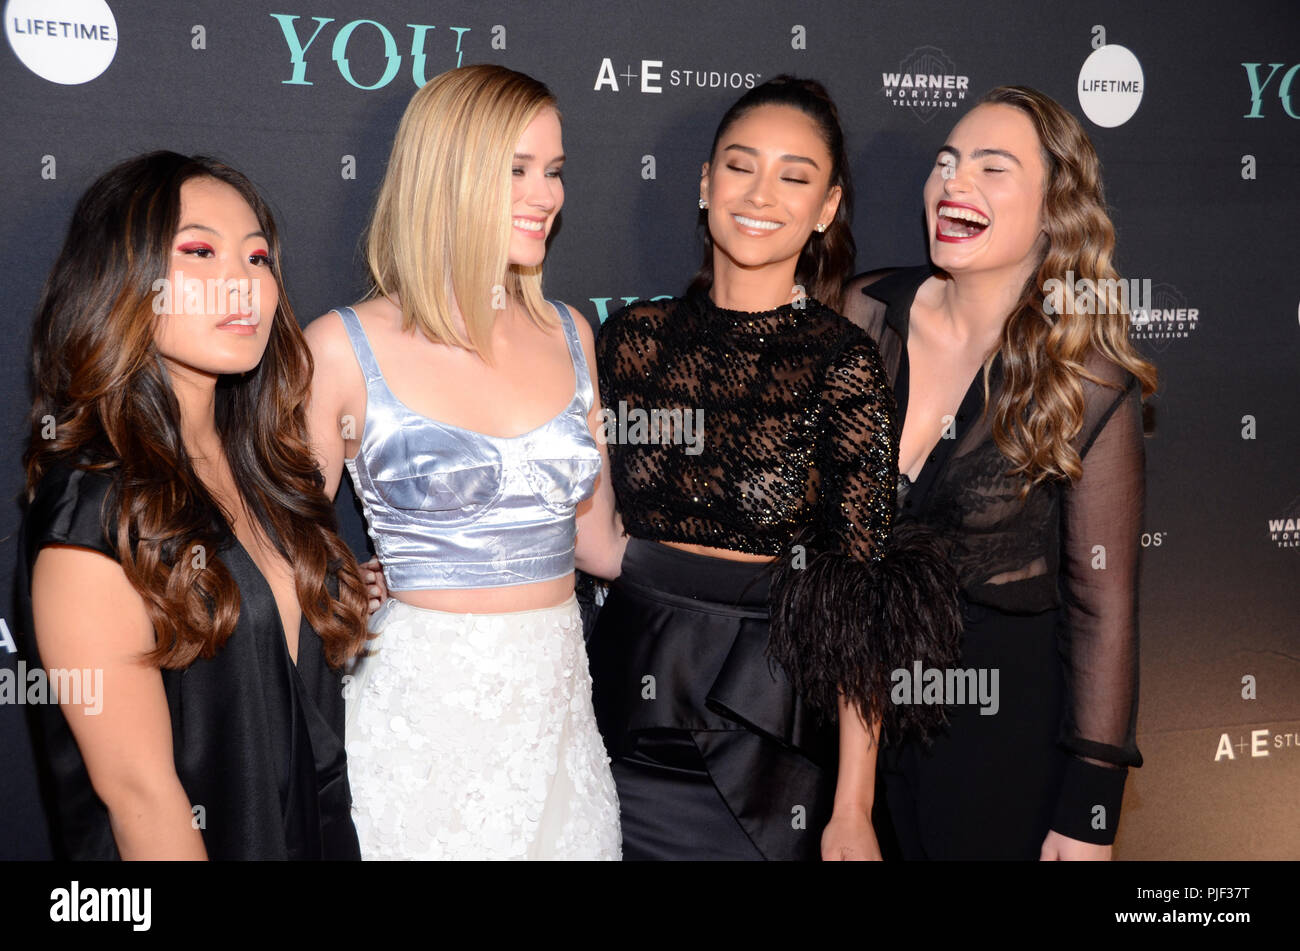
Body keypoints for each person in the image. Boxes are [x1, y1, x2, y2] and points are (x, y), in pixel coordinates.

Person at [588, 76, 962, 861]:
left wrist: (852, 807)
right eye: (740, 166)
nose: (762, 194)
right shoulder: (630, 339)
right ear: (704, 183)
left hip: (768, 736)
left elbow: (862, 603)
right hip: (624, 709)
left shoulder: (843, 363)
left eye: (795, 177)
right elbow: (591, 527)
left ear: (826, 209)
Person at [304, 64, 623, 860]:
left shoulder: (571, 333)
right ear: (446, 172)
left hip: (559, 713)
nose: (545, 194)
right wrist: (341, 583)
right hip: (419, 717)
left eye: (553, 171)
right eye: (516, 169)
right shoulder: (342, 347)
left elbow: (599, 544)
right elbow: (286, 554)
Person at [18, 151, 370, 860]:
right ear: (125, 278)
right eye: (199, 252)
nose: (240, 285)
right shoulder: (92, 516)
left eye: (258, 258)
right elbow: (144, 804)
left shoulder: (270, 469)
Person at [843, 86, 1154, 860]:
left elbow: (1101, 602)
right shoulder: (864, 312)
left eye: (992, 167)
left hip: (998, 739)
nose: (955, 182)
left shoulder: (1085, 380)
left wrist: (1090, 810)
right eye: (946, 162)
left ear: (1054, 210)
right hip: (856, 720)